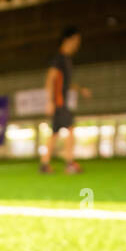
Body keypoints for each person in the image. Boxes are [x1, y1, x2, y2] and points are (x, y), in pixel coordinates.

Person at [40, 26, 92, 174]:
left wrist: (81, 89)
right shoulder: (59, 58)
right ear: (69, 40)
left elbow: (67, 84)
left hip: (60, 101)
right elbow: (50, 79)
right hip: (59, 101)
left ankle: (44, 164)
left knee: (55, 133)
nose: (77, 44)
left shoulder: (67, 60)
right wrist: (49, 101)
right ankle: (69, 163)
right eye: (76, 40)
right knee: (70, 128)